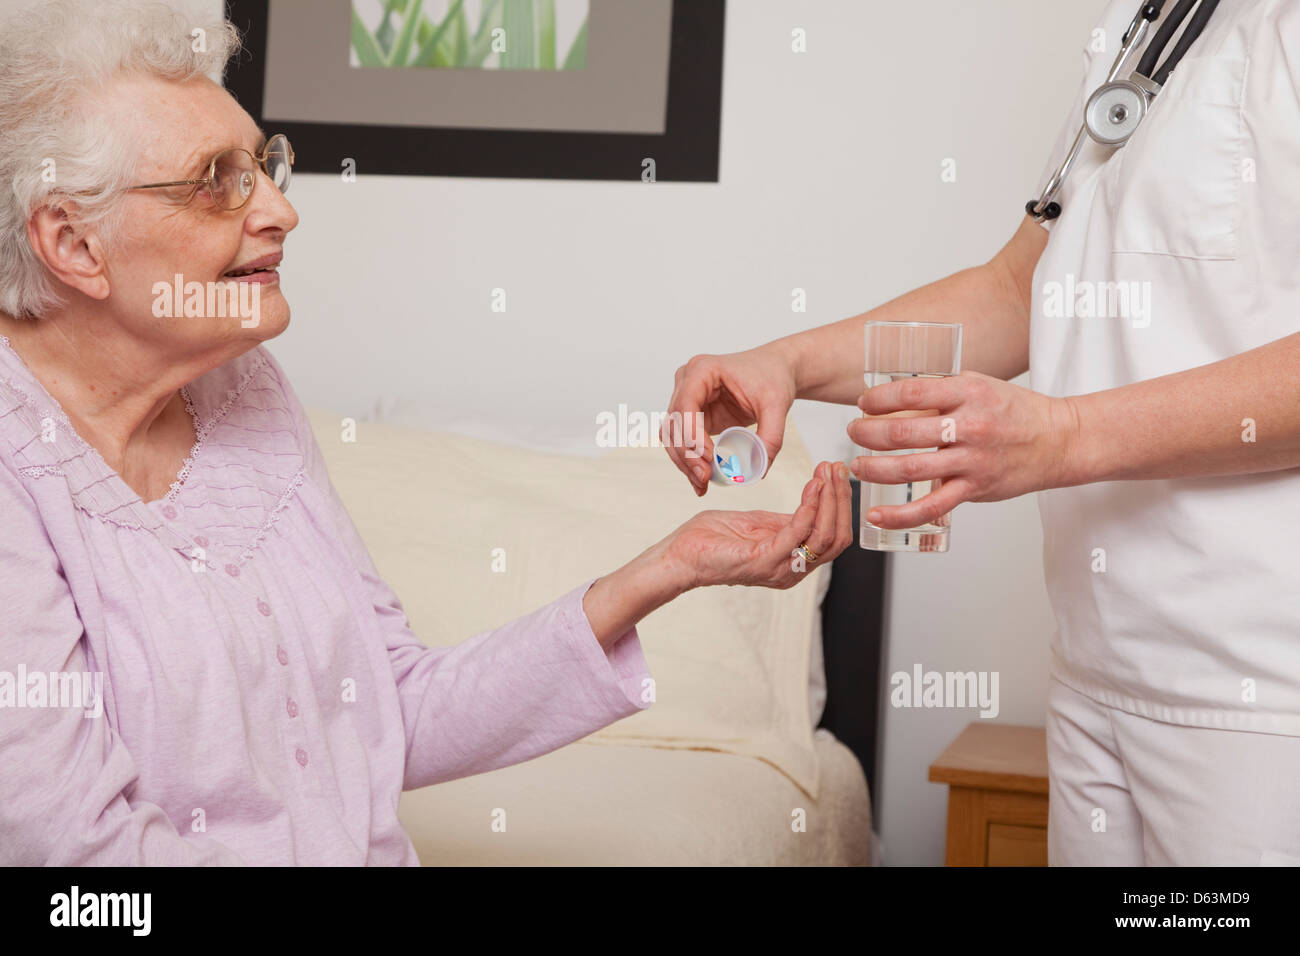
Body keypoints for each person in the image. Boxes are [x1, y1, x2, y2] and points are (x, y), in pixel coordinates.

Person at [0, 0, 853, 865]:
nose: (279, 212)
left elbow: (384, 707)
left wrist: (671, 566)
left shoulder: (240, 389)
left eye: (263, 166)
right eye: (216, 180)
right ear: (73, 242)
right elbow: (78, 855)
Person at [664, 0, 1300, 865]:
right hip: (1097, 666)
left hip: (1260, 694)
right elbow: (1020, 292)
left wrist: (1062, 435)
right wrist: (786, 364)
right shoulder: (1143, 22)